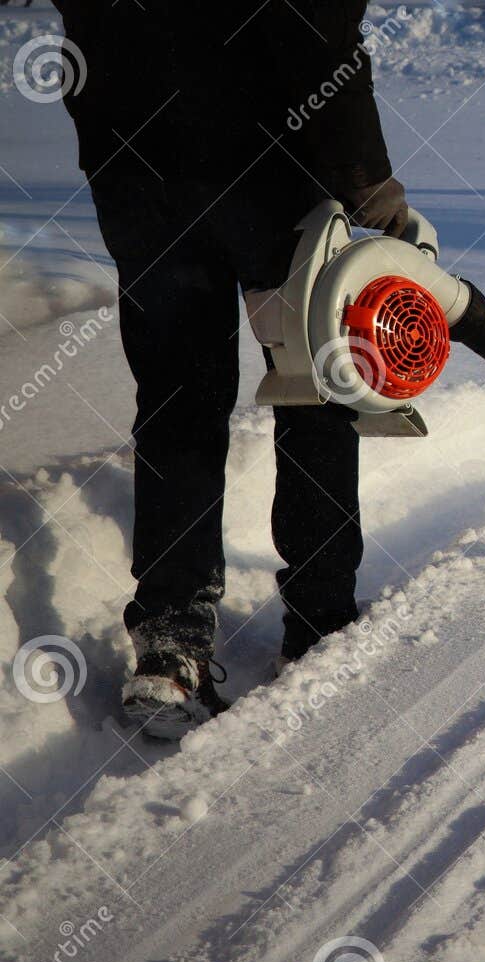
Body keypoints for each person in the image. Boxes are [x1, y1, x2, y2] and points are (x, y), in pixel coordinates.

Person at [50, 2, 408, 736]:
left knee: (179, 395)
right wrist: (367, 177)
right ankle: (319, 619)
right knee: (315, 380)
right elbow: (320, 30)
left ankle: (169, 647)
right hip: (269, 169)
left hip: (137, 164)